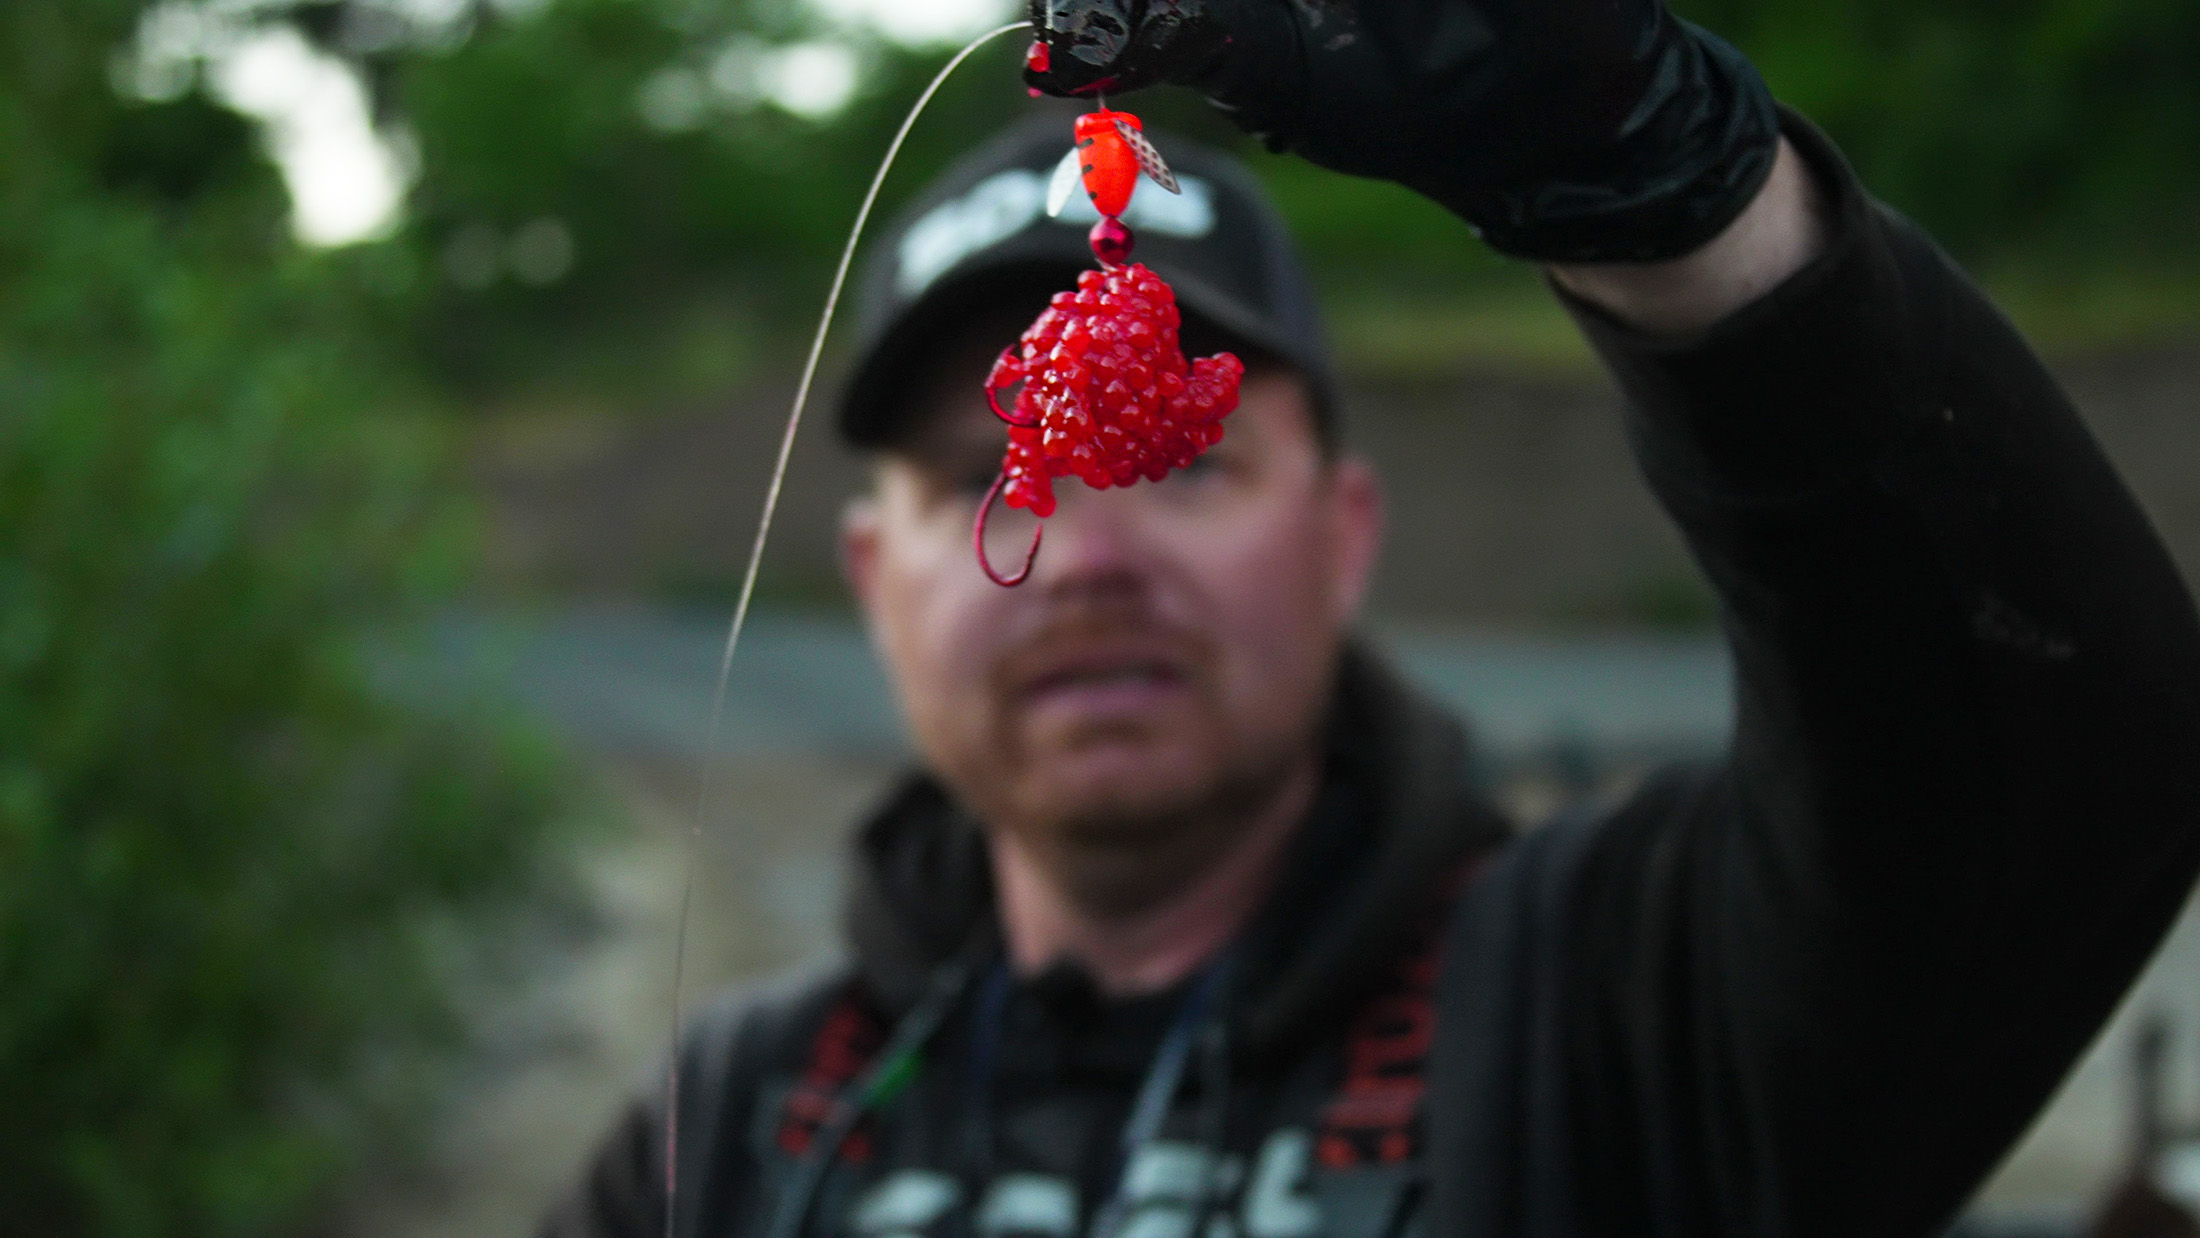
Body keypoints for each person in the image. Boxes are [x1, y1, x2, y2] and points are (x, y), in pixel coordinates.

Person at [545, 0, 2200, 1234]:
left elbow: (2062, 748)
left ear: (1346, 536)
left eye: (1193, 467)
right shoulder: (727, 1115)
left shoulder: (1624, 995)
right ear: (872, 578)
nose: (1101, 552)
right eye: (1002, 472)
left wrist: (1667, 184)